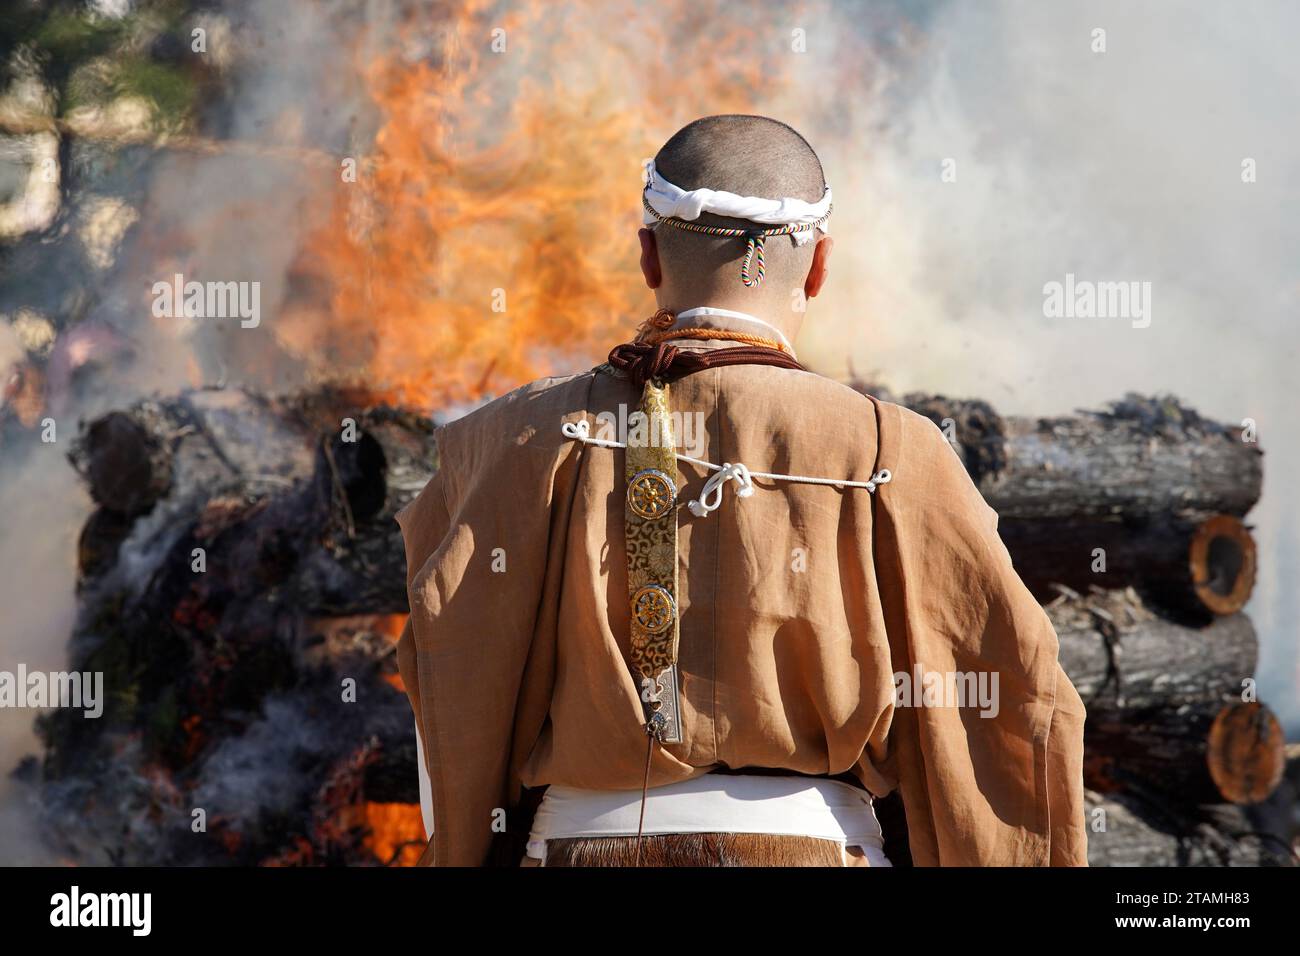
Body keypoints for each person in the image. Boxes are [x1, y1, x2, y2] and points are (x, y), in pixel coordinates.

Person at [396, 114, 1088, 867]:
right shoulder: (894, 449)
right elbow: (1010, 698)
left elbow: (450, 676)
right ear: (818, 267)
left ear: (647, 254)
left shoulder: (509, 438)